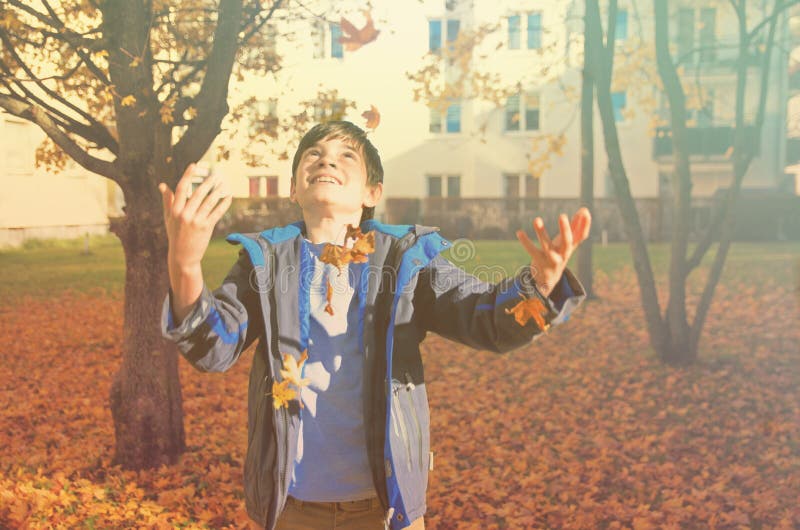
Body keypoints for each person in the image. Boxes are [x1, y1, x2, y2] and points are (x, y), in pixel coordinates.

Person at [158, 121, 591, 530]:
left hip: (386, 507)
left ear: (372, 191)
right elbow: (214, 347)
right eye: (313, 154)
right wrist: (186, 264)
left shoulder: (406, 259)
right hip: (289, 507)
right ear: (293, 188)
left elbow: (486, 320)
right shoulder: (265, 261)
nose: (326, 161)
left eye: (346, 155)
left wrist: (541, 284)